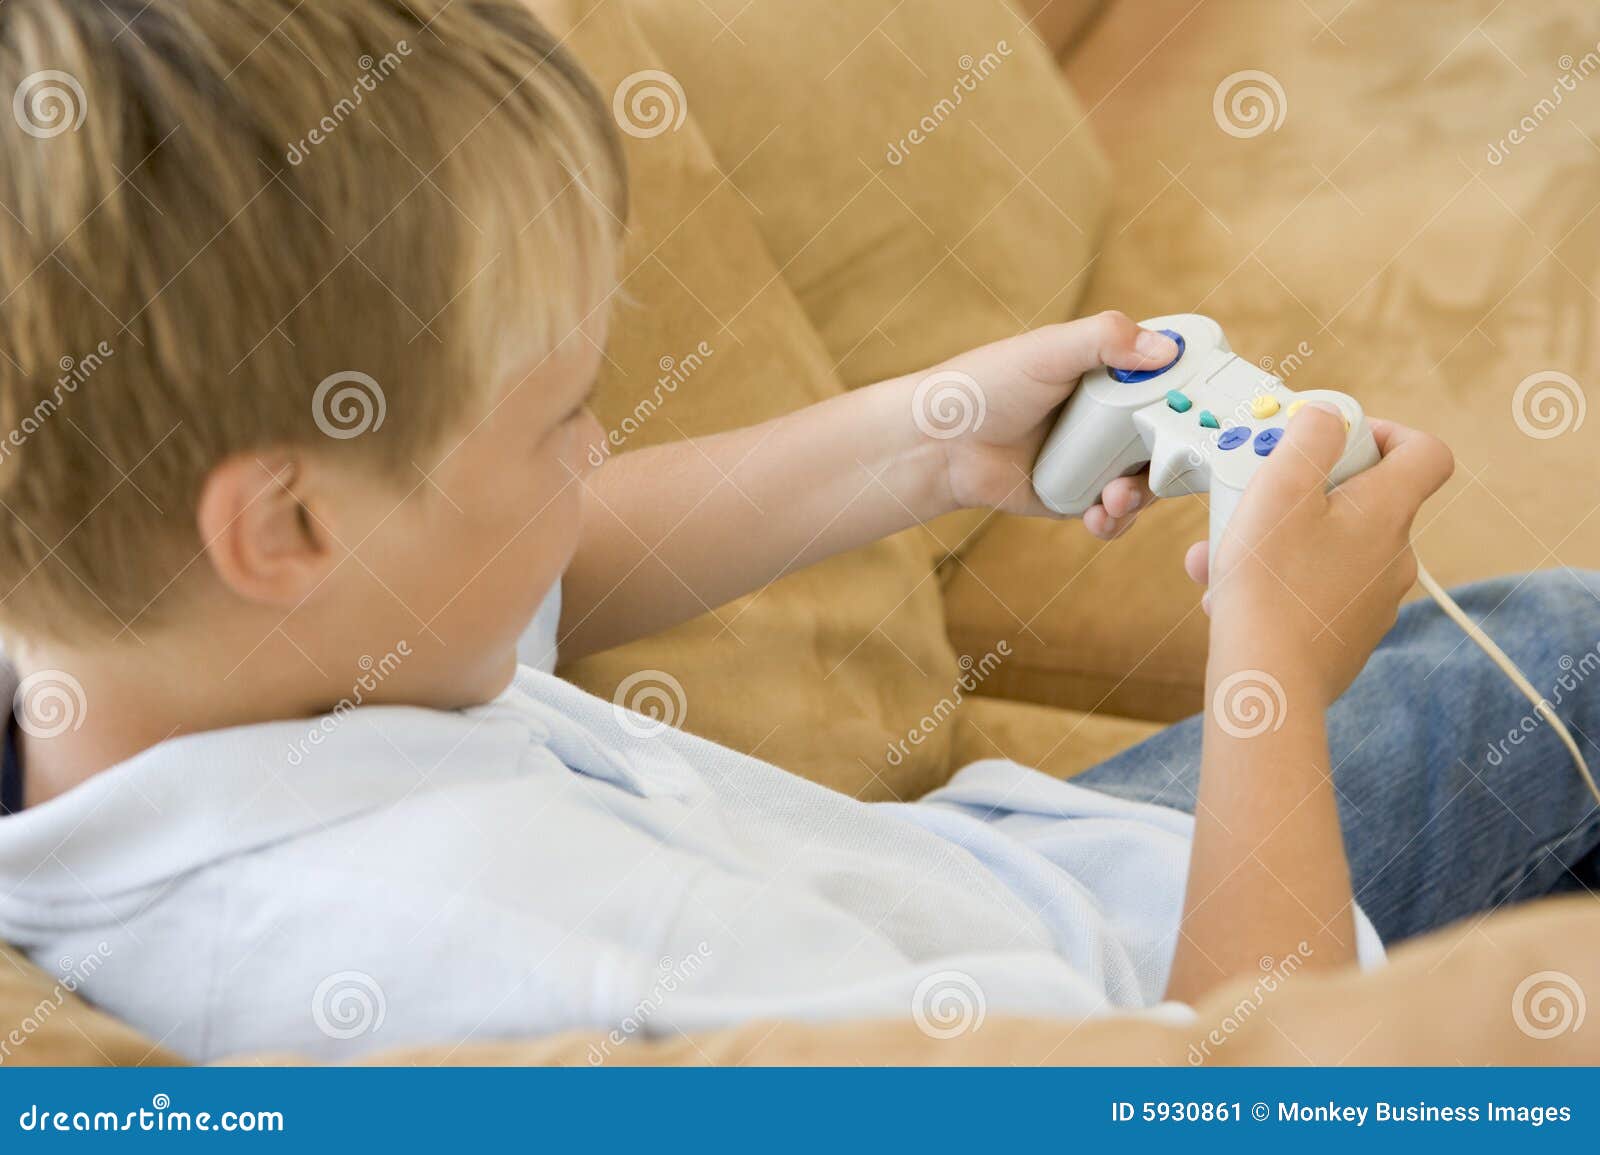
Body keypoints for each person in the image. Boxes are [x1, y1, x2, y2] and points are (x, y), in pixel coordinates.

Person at [0, 0, 1592, 1062]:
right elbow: (1226, 1109)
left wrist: (915, 443)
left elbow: (505, 574)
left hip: (1021, 879)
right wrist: (1271, 673)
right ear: (284, 519)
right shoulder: (574, 960)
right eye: (561, 415)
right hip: (1187, 997)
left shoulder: (133, 660)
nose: (599, 441)